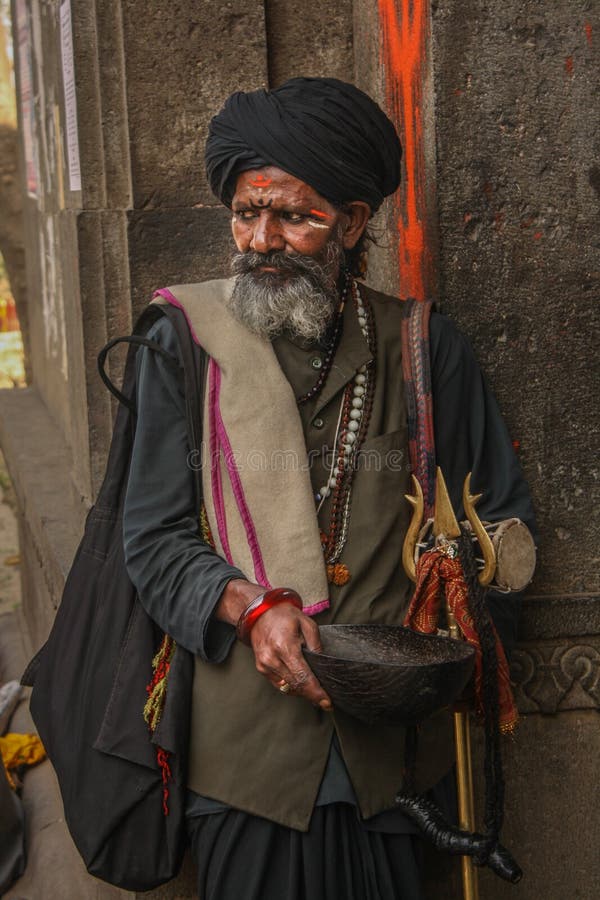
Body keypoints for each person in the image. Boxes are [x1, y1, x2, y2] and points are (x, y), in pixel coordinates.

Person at [123, 78, 535, 900]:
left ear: (352, 221)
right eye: (247, 213)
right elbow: (153, 539)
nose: (262, 239)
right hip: (247, 763)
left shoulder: (423, 349)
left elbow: (505, 530)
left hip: (393, 761)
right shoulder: (183, 343)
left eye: (295, 217)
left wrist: (459, 611)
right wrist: (250, 604)